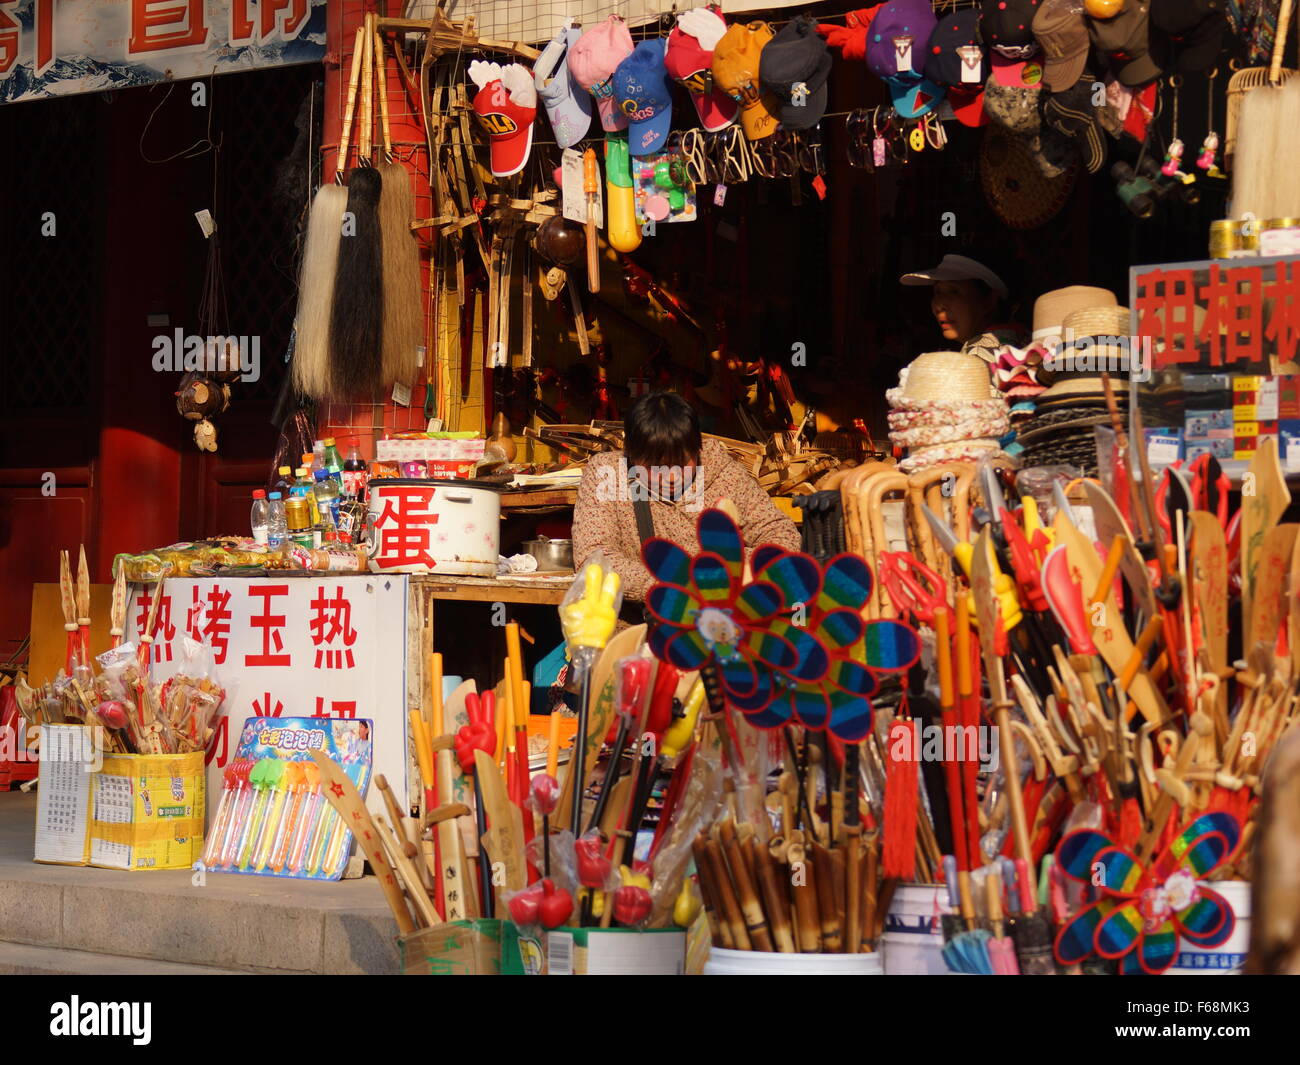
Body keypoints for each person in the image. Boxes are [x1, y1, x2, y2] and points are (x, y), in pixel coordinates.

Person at [572, 391, 801, 603]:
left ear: (697, 448)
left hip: (724, 625)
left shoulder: (726, 474)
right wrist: (677, 584)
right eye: (656, 466)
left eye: (682, 463)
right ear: (632, 456)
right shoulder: (608, 475)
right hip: (635, 627)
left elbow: (781, 535)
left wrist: (729, 569)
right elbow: (595, 560)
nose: (671, 477)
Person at [900, 254, 1026, 363]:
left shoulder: (979, 354)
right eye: (937, 292)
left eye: (954, 291)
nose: (939, 305)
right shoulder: (1024, 341)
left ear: (989, 301)